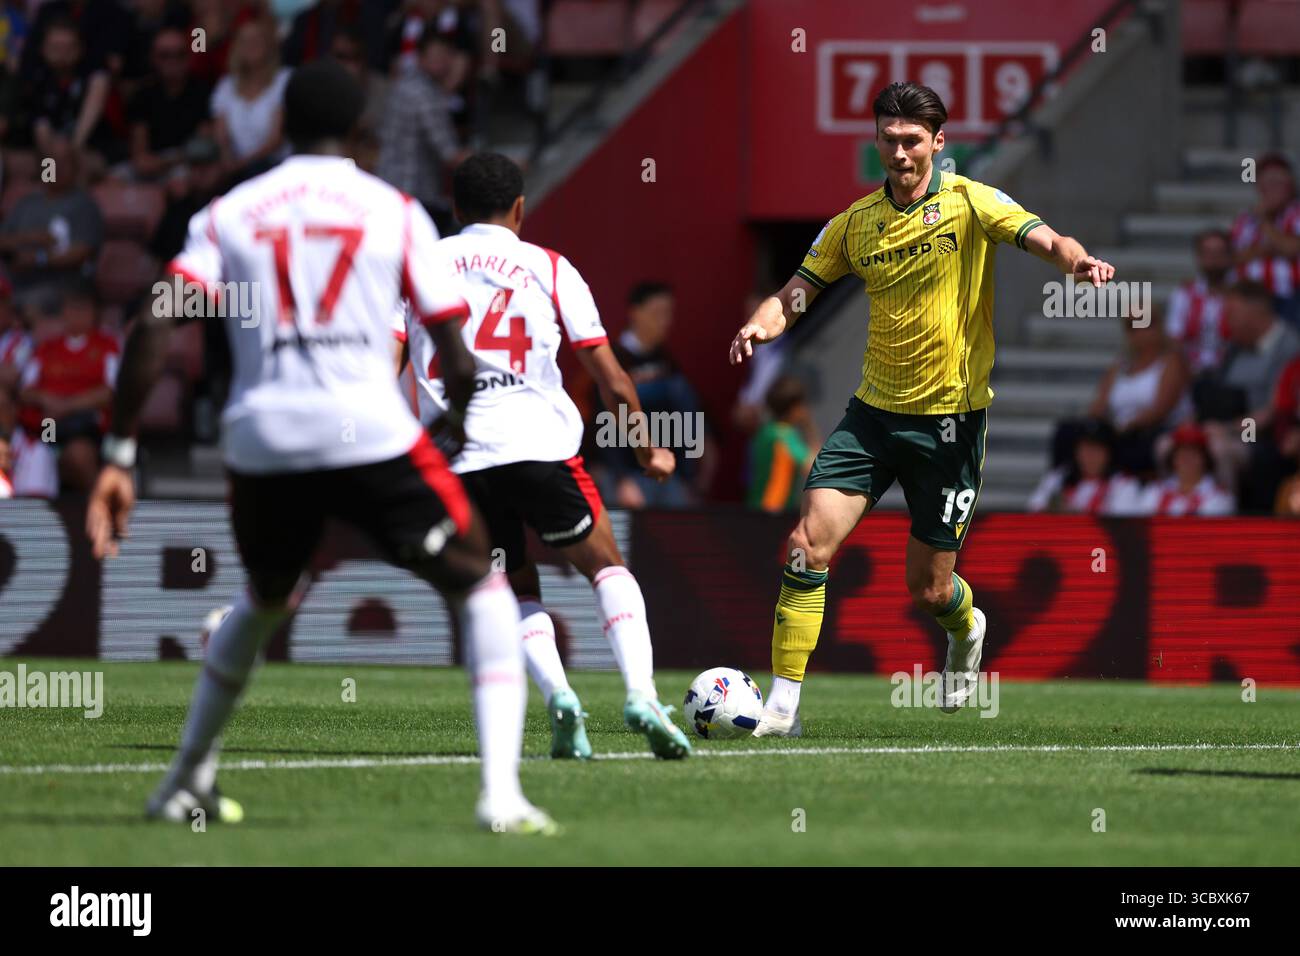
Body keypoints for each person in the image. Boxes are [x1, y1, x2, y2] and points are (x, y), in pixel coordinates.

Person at [85, 62, 555, 835]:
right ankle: (500, 797)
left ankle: (183, 783)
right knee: (481, 587)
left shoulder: (231, 211)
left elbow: (154, 326)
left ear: (281, 127)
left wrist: (121, 454)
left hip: (263, 436)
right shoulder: (396, 210)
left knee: (265, 600)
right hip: (371, 431)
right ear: (362, 132)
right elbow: (455, 350)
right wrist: (456, 426)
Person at [727, 81, 1117, 734]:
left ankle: (967, 627)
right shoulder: (854, 224)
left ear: (939, 142)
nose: (900, 152)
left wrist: (1078, 263)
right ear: (876, 141)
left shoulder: (971, 202)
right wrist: (765, 323)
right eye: (888, 139)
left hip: (950, 425)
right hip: (872, 418)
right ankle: (782, 709)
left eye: (912, 140)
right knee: (806, 546)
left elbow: (1046, 238)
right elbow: (796, 291)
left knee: (931, 589)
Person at [395, 152, 691, 760]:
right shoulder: (549, 267)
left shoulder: (418, 269)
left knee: (512, 586)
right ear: (521, 209)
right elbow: (611, 380)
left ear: (453, 208)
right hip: (539, 450)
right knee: (606, 565)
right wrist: (647, 450)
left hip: (459, 460)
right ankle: (641, 695)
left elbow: (385, 368)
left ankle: (560, 696)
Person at [17, 282, 117, 493]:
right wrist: (47, 400)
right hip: (48, 422)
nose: (77, 314)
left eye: (83, 308)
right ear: (63, 312)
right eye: (72, 308)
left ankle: (98, 505)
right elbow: (25, 391)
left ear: (94, 312)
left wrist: (68, 406)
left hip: (86, 424)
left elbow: (110, 392)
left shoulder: (107, 345)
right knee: (41, 452)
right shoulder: (46, 348)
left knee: (78, 455)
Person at [375, 22, 465, 235]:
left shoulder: (404, 85)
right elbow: (450, 154)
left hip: (389, 191)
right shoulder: (423, 93)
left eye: (446, 56)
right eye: (436, 57)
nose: (443, 62)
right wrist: (500, 166)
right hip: (413, 197)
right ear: (420, 58)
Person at [1085, 309, 1192, 476]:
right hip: (1119, 429)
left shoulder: (1172, 362)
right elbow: (1099, 405)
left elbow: (1161, 410)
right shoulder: (1119, 366)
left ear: (1158, 328)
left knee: (1133, 442)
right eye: (1132, 326)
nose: (1139, 331)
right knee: (1070, 433)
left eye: (1145, 323)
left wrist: (1128, 426)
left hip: (1157, 429)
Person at [210, 13, 290, 185]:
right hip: (236, 169)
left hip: (274, 167)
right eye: (244, 41)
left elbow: (276, 140)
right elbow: (222, 137)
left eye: (257, 40)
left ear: (269, 45)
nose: (250, 46)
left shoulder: (284, 80)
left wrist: (239, 165)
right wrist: (227, 162)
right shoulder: (226, 85)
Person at [1229, 153, 1300, 329]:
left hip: (1291, 296)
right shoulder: (1245, 220)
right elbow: (1234, 257)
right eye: (1268, 183)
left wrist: (1265, 224)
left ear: (1290, 186)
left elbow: (1292, 249)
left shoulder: (1296, 214)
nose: (1273, 189)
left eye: (1278, 183)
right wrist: (1274, 246)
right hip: (1250, 296)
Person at [1027, 418, 1141, 515]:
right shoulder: (1058, 477)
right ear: (1076, 451)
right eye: (1085, 449)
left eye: (1097, 449)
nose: (1090, 456)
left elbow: (1121, 526)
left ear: (1110, 453)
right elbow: (1034, 510)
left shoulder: (1124, 484)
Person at [747, 375, 819, 514]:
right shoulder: (785, 436)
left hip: (755, 507)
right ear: (794, 407)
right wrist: (809, 427)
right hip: (774, 511)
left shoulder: (764, 432)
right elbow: (815, 467)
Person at [1166, 228, 1232, 374]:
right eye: (1208, 253)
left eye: (1219, 252)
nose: (1214, 259)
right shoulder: (1183, 294)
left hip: (1232, 373)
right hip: (1192, 372)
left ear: (1229, 256)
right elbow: (1174, 340)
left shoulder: (1239, 294)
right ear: (1199, 257)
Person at [1133, 423, 1234, 516]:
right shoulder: (1154, 491)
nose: (1187, 460)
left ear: (1205, 460)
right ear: (1173, 459)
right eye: (1182, 455)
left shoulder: (1219, 497)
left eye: (1193, 455)